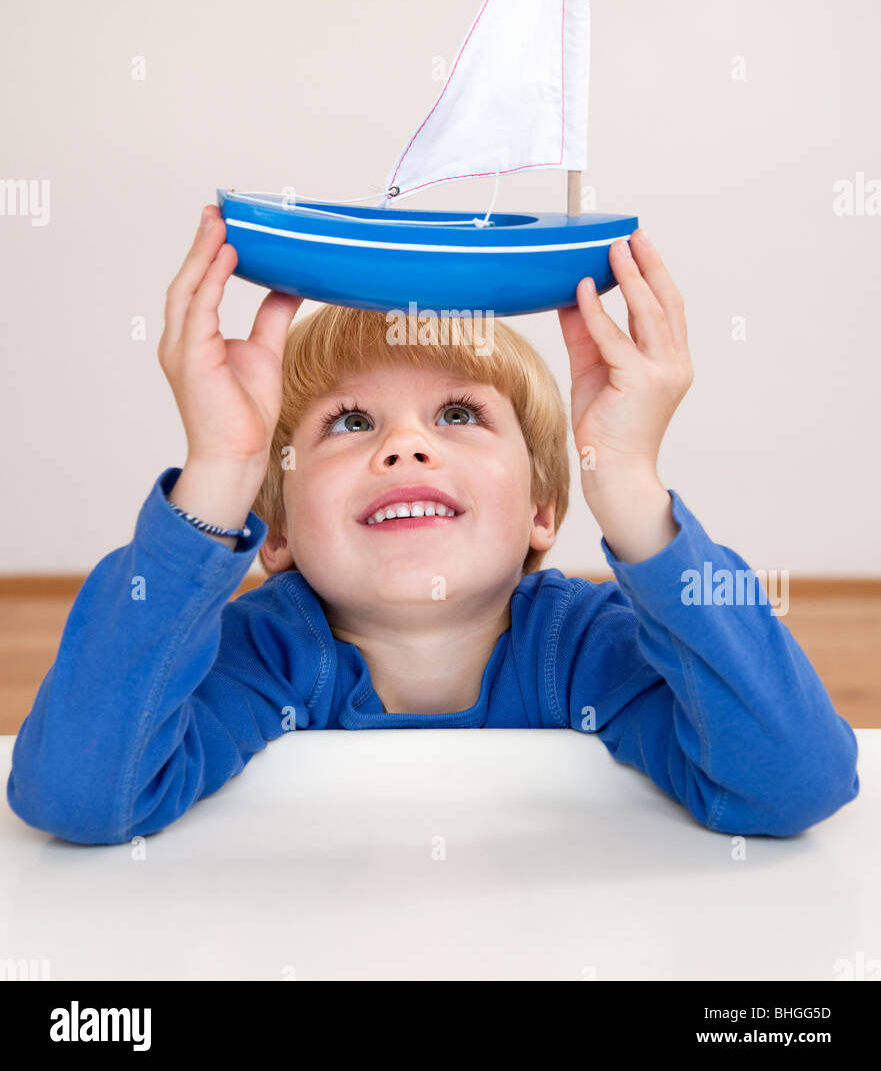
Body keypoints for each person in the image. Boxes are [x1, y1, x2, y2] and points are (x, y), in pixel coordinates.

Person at [6, 206, 859, 844]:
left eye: (457, 415)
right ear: (277, 534)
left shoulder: (588, 647)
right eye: (349, 423)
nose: (405, 447)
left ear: (540, 509)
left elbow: (793, 783)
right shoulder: (262, 659)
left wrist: (630, 484)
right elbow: (78, 797)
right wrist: (222, 472)